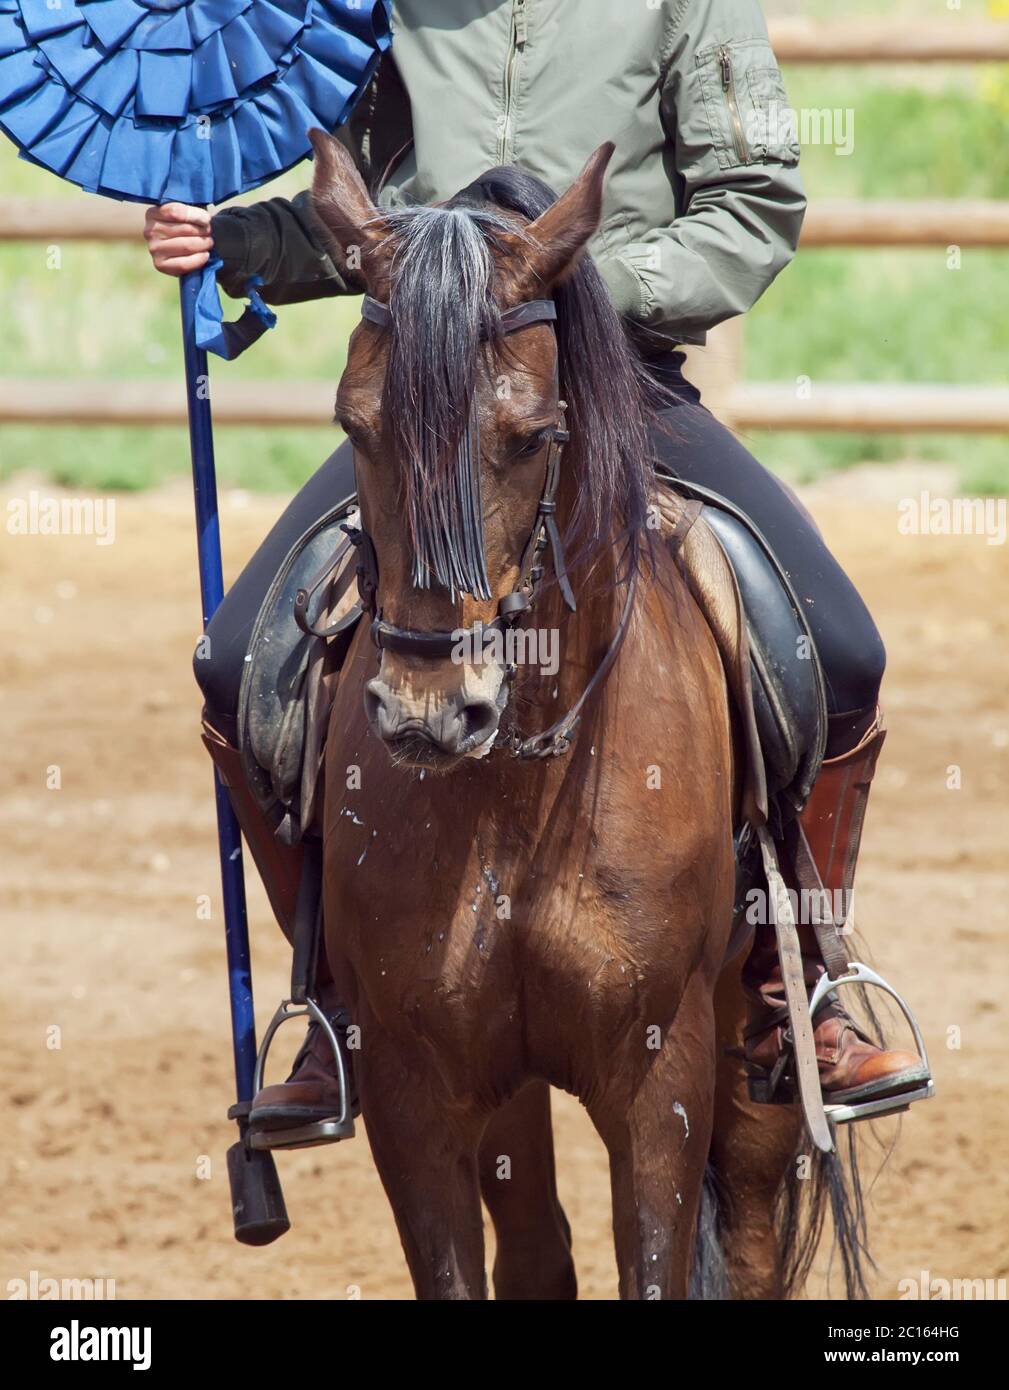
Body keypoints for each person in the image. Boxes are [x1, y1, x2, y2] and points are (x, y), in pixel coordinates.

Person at [144, 0, 929, 1144]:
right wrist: (231, 243)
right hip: (429, 395)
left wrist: (559, 291)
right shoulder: (392, 11)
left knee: (839, 650)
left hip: (620, 380)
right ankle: (332, 995)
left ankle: (790, 982)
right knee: (235, 662)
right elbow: (353, 214)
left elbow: (752, 206)